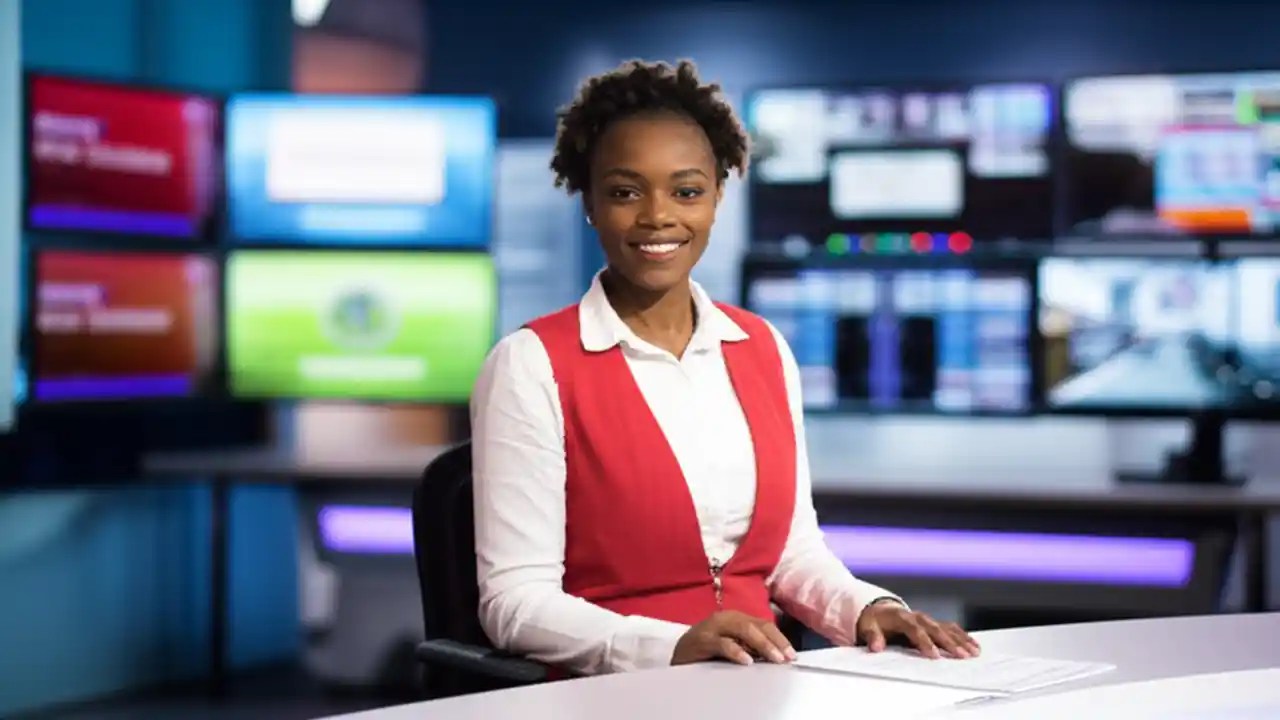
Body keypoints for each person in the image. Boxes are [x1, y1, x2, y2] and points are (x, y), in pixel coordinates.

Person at [470, 58, 980, 677]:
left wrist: (869, 608)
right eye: (626, 192)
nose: (658, 216)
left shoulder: (761, 347)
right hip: (610, 696)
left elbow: (792, 555)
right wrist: (668, 646)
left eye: (686, 191)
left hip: (760, 688)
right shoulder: (531, 365)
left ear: (716, 198)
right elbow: (514, 603)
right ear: (590, 204)